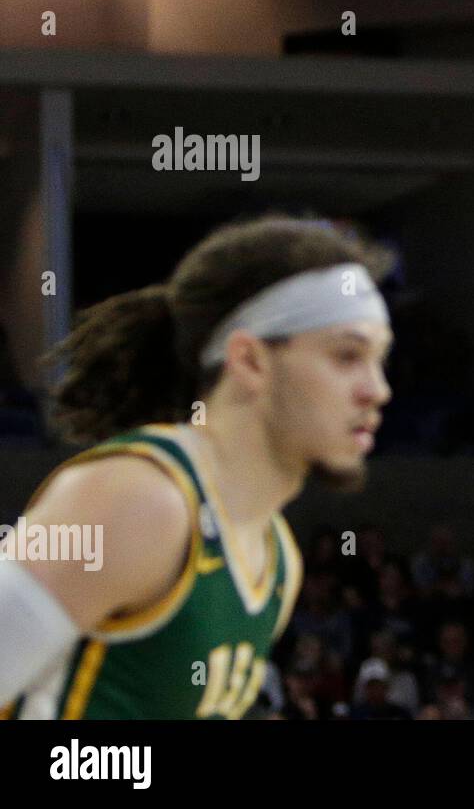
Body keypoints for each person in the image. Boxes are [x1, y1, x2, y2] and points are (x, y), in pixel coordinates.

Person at [0, 215, 393, 719]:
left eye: (379, 360)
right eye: (346, 356)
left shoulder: (276, 561)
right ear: (249, 360)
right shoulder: (140, 501)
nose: (376, 389)